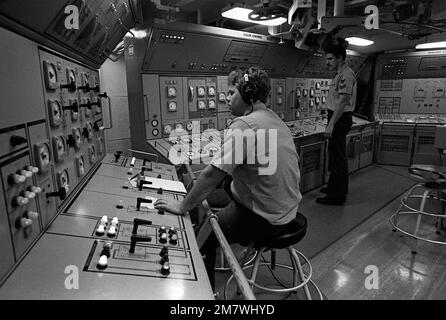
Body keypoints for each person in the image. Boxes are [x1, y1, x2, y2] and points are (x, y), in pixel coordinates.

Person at [154, 66, 302, 289]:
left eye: (231, 92)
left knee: (201, 238)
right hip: (288, 209)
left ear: (248, 93)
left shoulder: (244, 125)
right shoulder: (274, 119)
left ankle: (204, 294)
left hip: (262, 216)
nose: (226, 99)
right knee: (224, 182)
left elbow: (212, 174)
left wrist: (182, 206)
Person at [316, 41, 357, 205]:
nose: (327, 62)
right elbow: (336, 100)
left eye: (330, 59)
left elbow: (343, 100)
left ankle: (337, 196)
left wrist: (331, 124)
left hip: (339, 118)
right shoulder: (340, 74)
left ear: (340, 58)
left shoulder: (346, 74)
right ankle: (335, 187)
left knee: (338, 157)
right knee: (335, 155)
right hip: (337, 116)